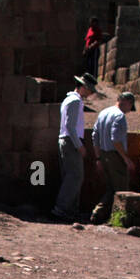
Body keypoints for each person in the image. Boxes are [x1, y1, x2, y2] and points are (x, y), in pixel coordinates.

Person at [52, 71, 97, 220]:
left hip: (67, 140)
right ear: (83, 87)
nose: (90, 93)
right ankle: (62, 209)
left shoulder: (69, 100)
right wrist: (79, 146)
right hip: (70, 141)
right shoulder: (75, 101)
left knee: (71, 176)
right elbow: (70, 126)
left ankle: (69, 210)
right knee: (75, 176)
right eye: (90, 89)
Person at [90, 91, 136, 223]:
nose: (129, 110)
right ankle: (120, 219)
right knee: (121, 189)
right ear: (127, 102)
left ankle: (97, 212)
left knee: (111, 187)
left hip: (104, 154)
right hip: (115, 155)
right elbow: (116, 140)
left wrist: (98, 157)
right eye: (130, 106)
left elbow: (95, 135)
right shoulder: (119, 116)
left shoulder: (104, 112)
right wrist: (126, 159)